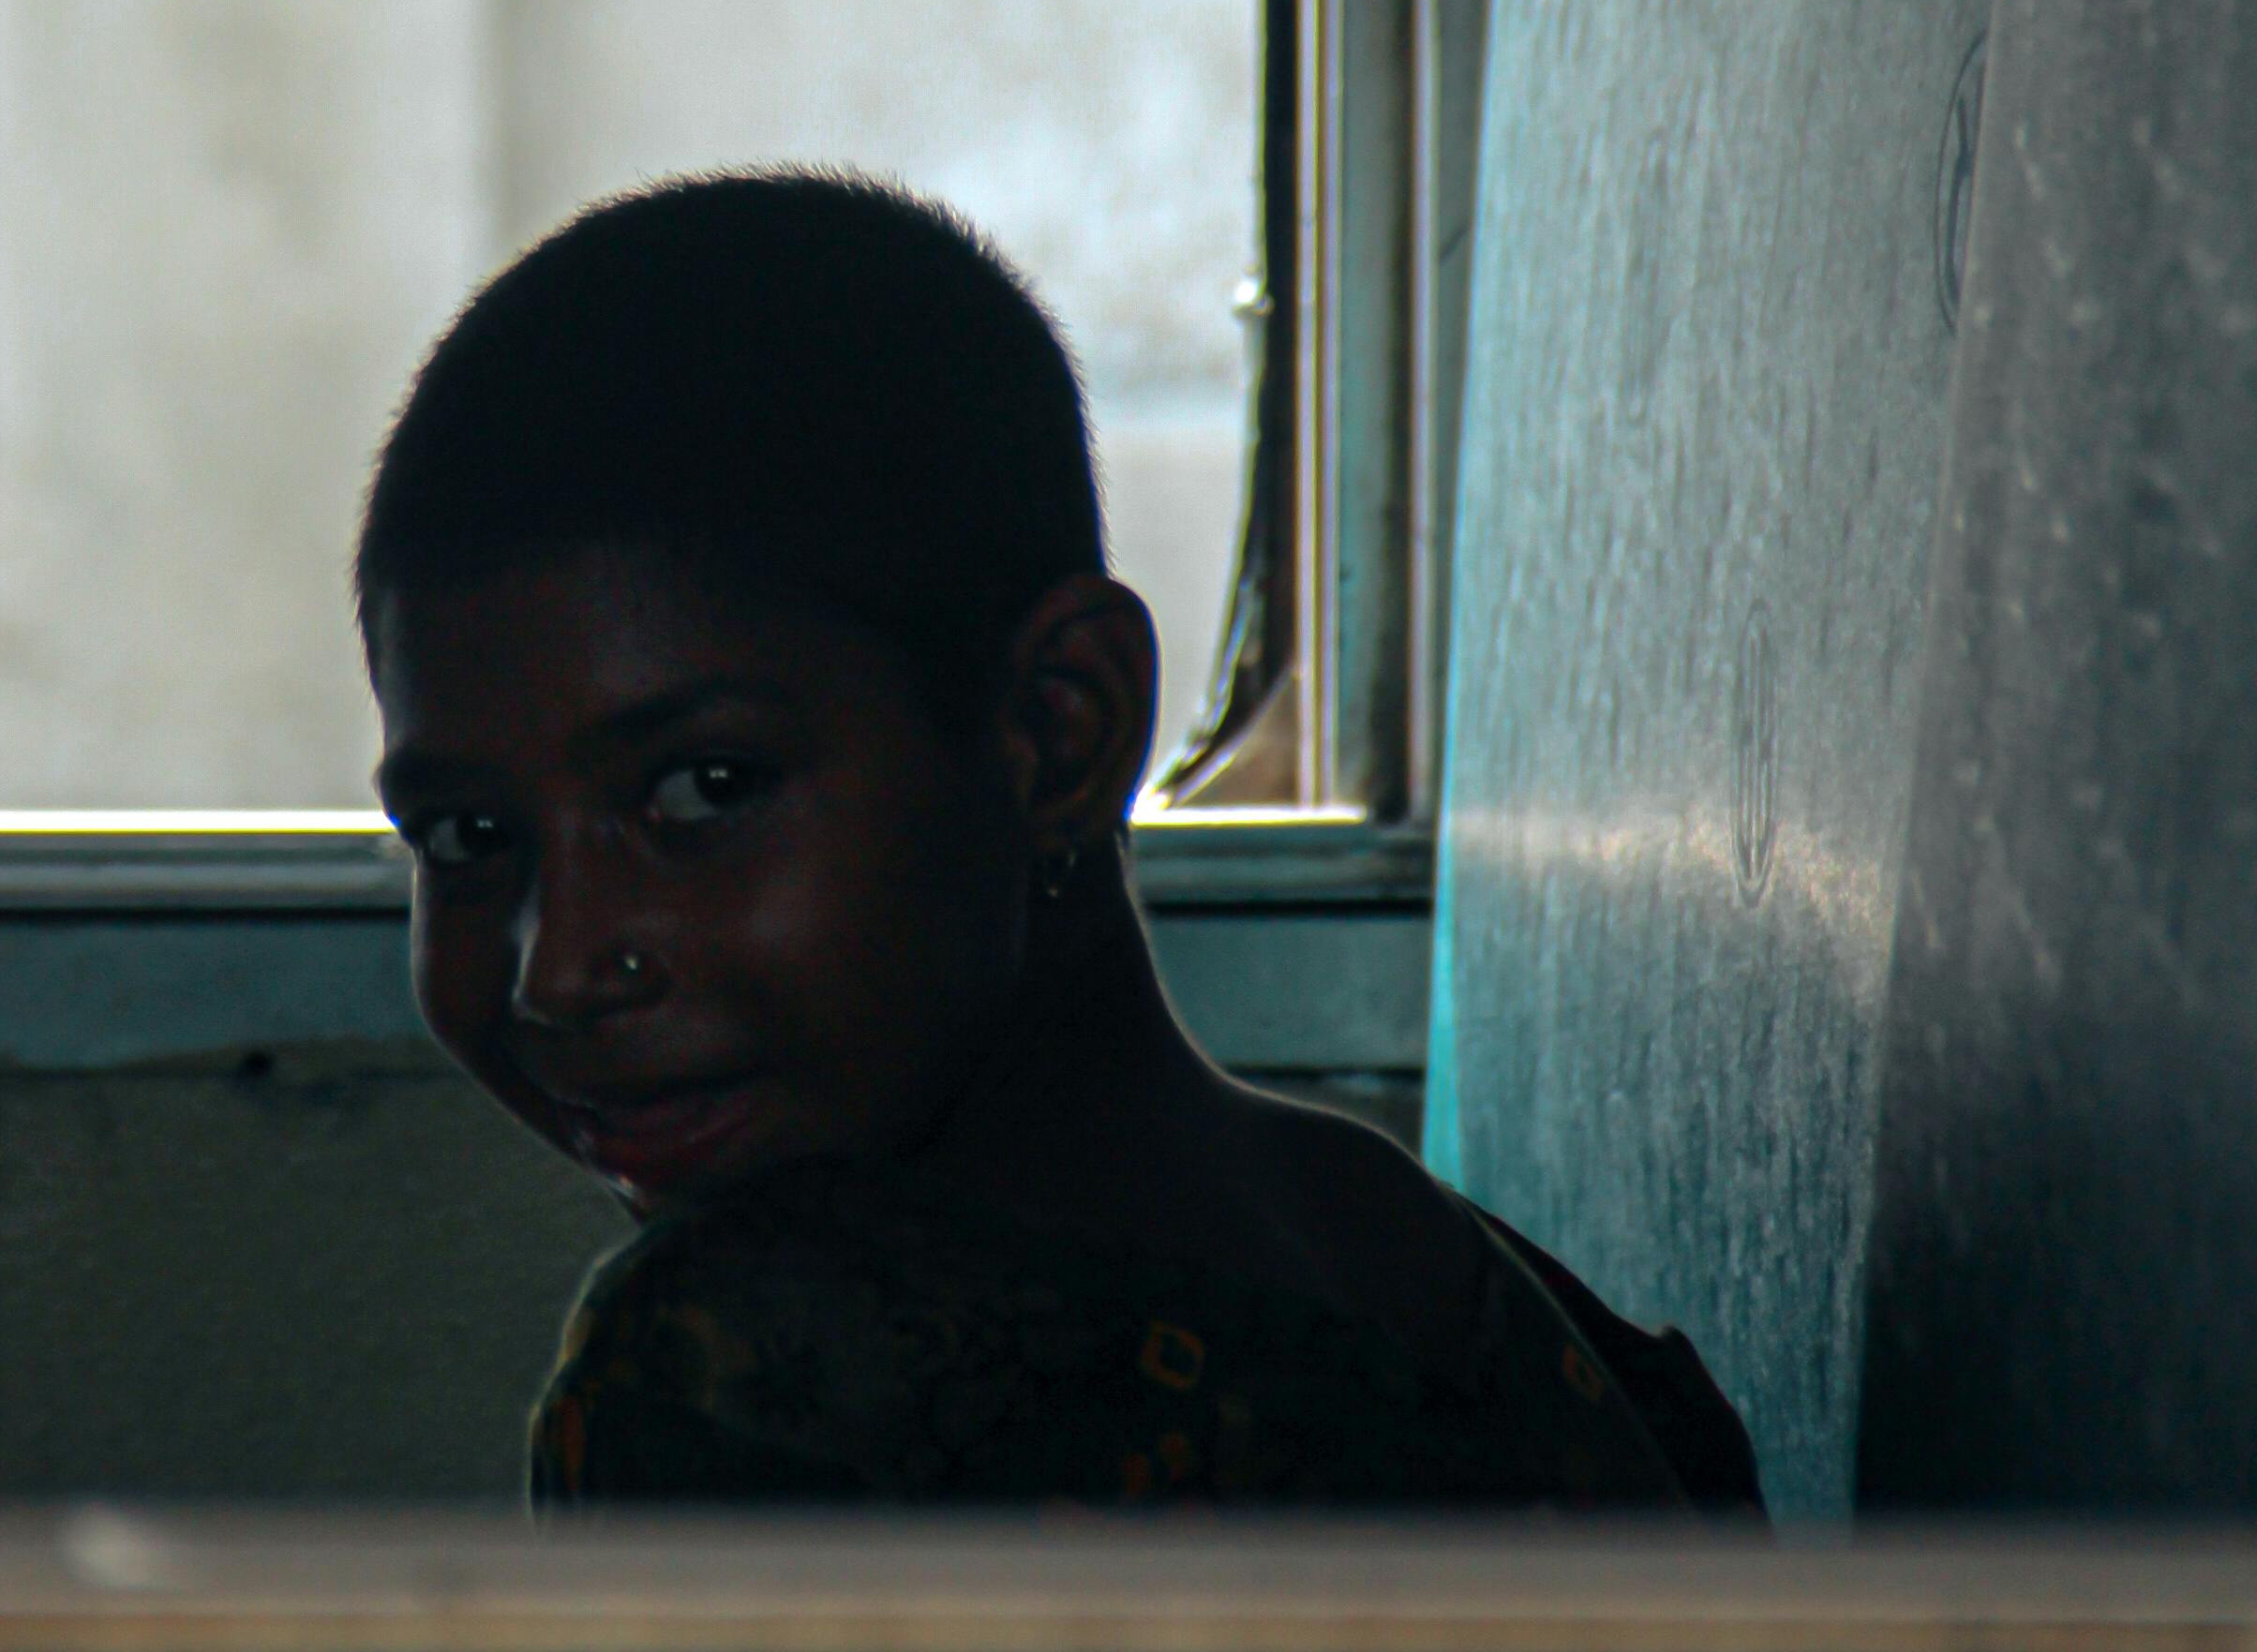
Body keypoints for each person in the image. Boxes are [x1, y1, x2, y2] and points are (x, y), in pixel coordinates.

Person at [357, 171, 1762, 1515]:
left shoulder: (746, 1371)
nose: (562, 968)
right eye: (470, 835)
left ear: (1057, 730)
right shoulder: (1464, 1284)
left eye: (706, 790)